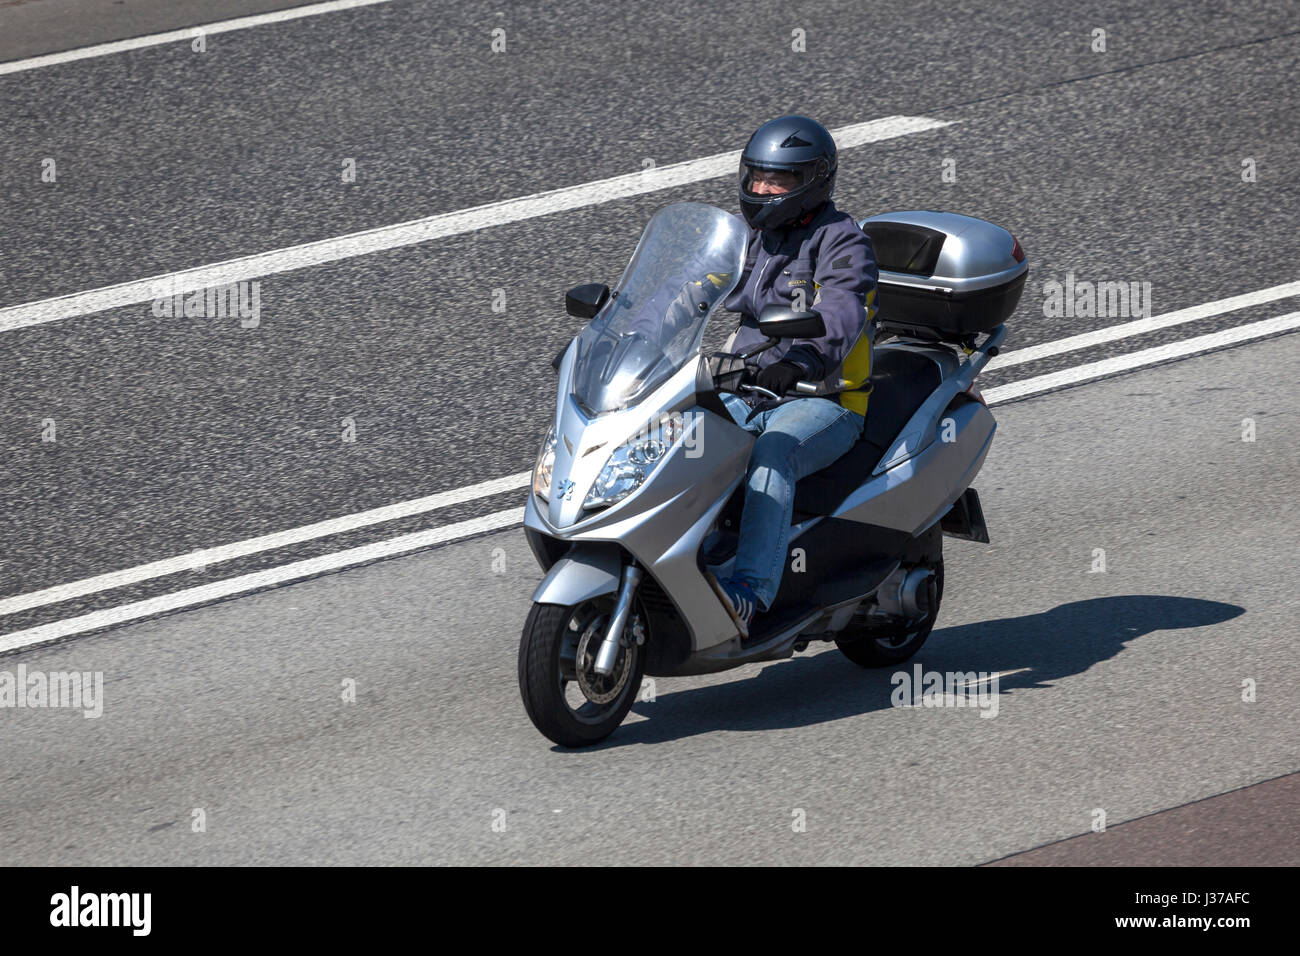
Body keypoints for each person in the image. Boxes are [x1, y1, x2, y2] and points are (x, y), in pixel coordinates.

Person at [707, 115, 878, 638]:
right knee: (678, 435)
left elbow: (841, 312)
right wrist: (631, 329)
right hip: (748, 384)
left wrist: (802, 360)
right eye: (756, 177)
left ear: (812, 181)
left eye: (777, 181)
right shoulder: (751, 240)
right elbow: (693, 291)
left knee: (772, 453)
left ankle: (749, 591)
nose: (762, 190)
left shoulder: (842, 242)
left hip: (825, 398)